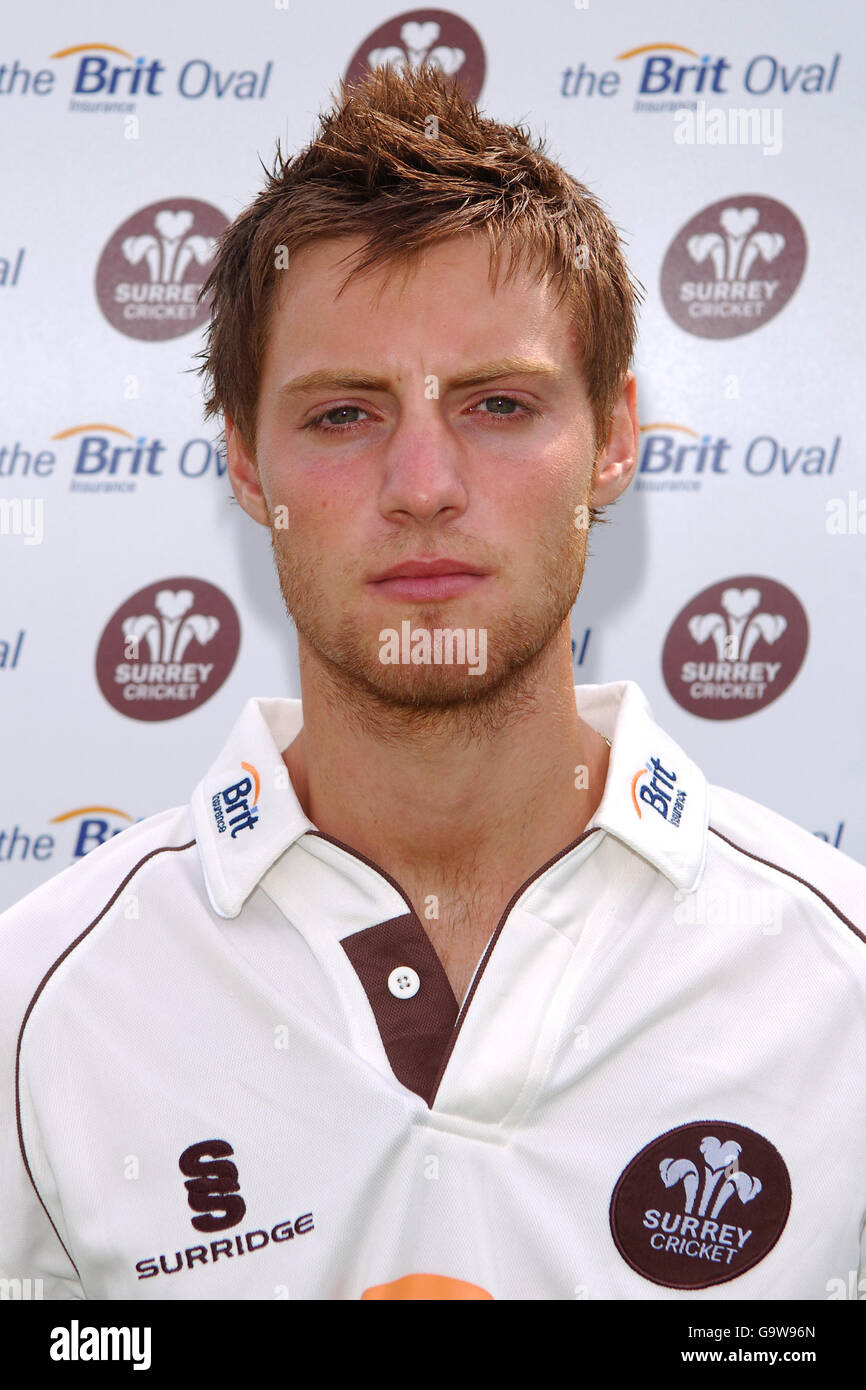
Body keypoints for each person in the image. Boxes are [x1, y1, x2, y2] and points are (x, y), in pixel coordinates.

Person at [1, 61, 864, 1303]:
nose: (421, 483)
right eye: (344, 415)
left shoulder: (831, 967)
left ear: (614, 439)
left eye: (498, 403)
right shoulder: (41, 1004)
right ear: (246, 464)